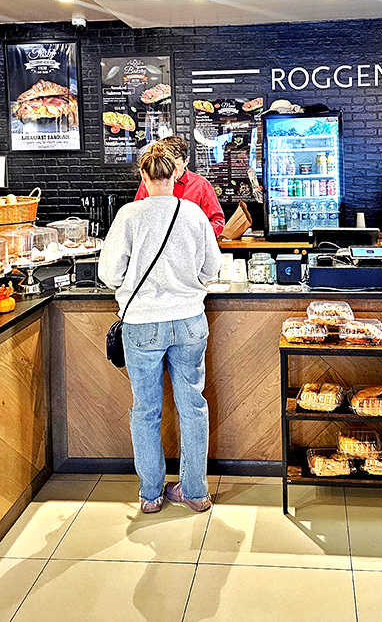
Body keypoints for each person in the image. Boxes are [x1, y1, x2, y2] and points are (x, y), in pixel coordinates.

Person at [99, 141, 222, 514]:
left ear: (143, 175)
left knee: (146, 410)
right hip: (188, 321)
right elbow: (212, 271)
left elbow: (108, 274)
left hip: (142, 325)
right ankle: (196, 491)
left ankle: (151, 494)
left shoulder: (129, 216)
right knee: (193, 408)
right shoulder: (194, 215)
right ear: (176, 173)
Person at [134, 135, 225, 237]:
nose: (171, 171)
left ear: (186, 161)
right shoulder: (151, 182)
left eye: (175, 166)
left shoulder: (201, 185)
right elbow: (137, 215)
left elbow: (217, 221)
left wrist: (195, 236)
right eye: (167, 166)